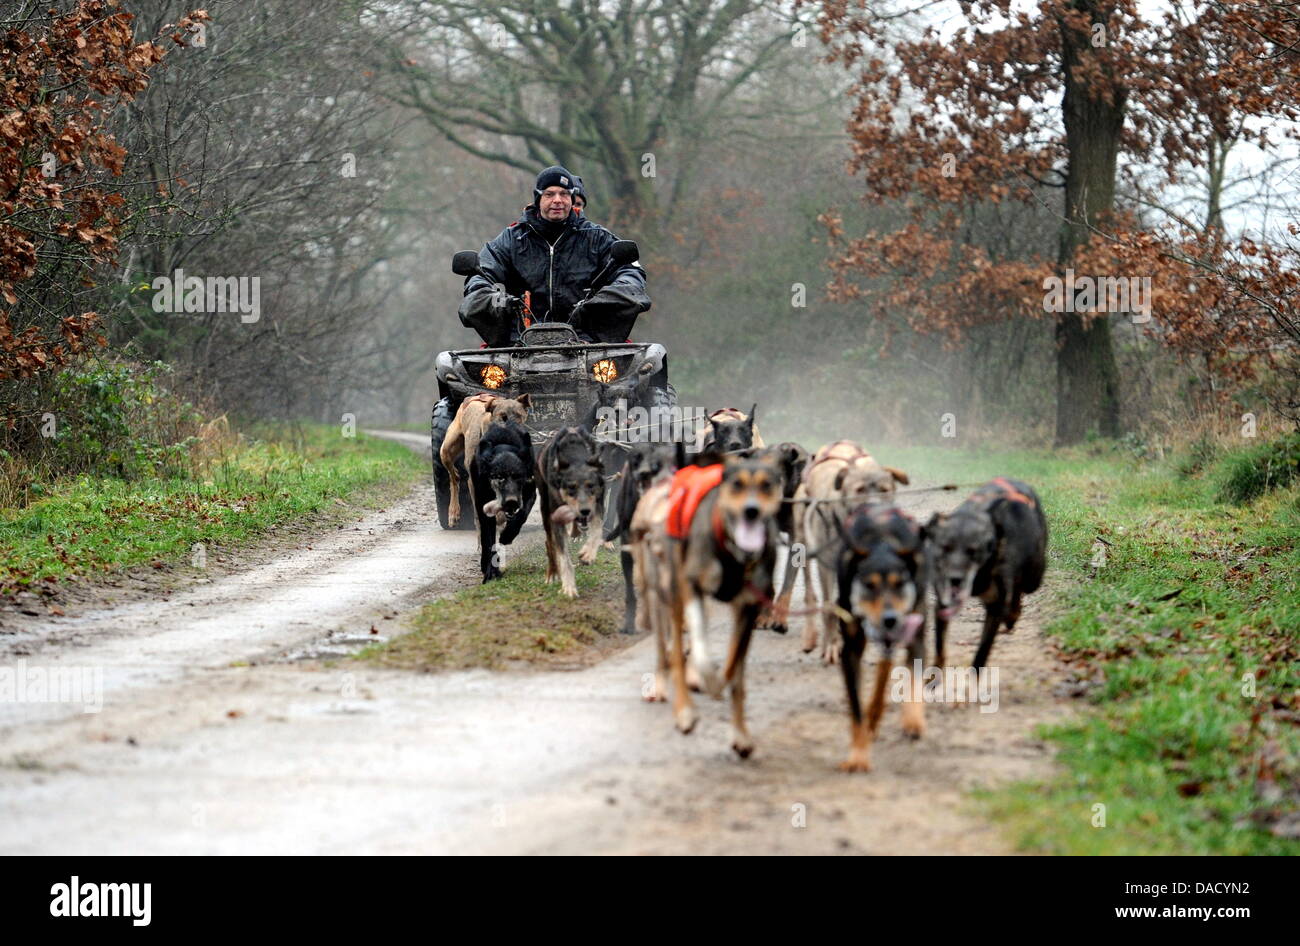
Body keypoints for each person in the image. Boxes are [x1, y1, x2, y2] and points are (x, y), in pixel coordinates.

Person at [459, 166, 648, 346]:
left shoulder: (597, 238)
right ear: (538, 199)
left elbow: (630, 271)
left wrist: (610, 296)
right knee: (454, 369)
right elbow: (481, 273)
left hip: (591, 342)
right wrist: (491, 297)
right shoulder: (511, 239)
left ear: (572, 200)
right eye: (549, 194)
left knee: (649, 362)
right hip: (519, 343)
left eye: (564, 194)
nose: (557, 200)